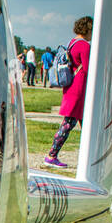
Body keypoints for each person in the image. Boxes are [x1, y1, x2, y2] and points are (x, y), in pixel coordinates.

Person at [44, 15, 91, 167]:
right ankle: (52, 155)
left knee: (86, 124)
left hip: (71, 86)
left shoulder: (72, 42)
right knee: (68, 124)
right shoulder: (84, 45)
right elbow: (88, 66)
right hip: (79, 88)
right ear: (88, 29)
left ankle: (90, 157)